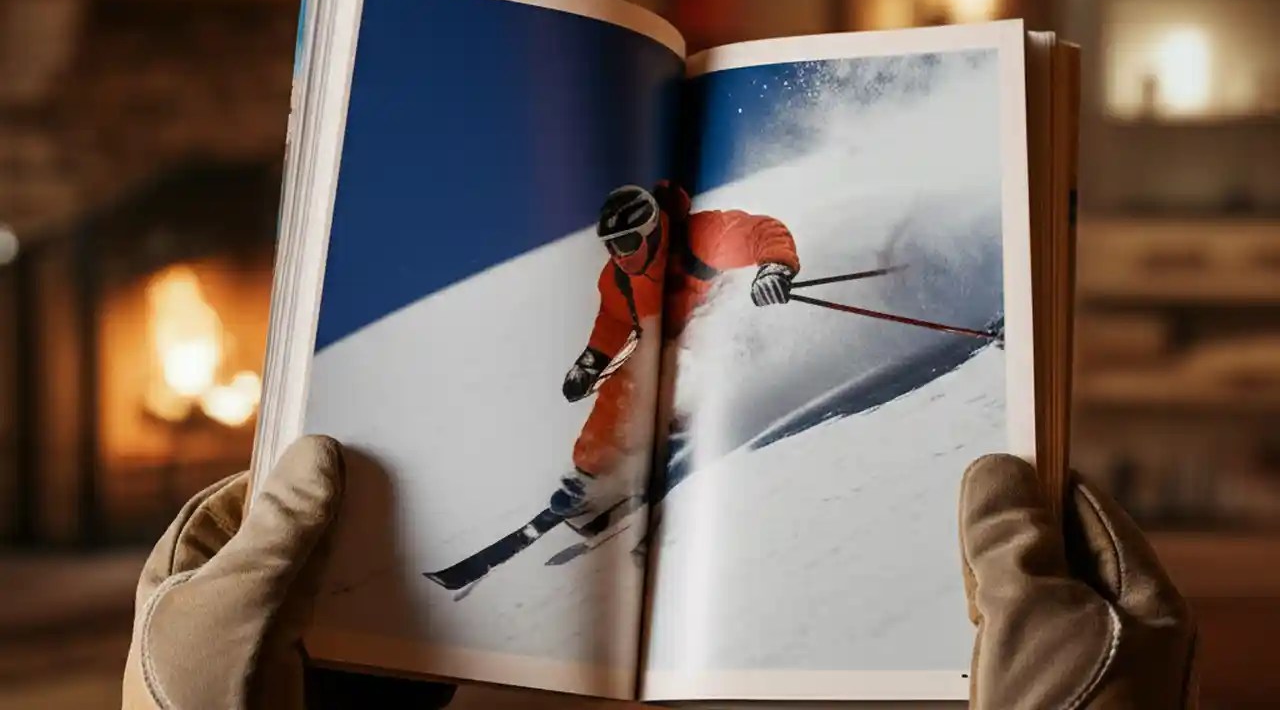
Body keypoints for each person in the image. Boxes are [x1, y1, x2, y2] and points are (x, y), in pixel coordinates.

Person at [123, 438, 1198, 710]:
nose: (634, 239)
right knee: (601, 454)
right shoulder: (627, 269)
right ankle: (589, 501)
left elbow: (747, 233)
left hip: (690, 384)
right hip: (631, 415)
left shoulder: (694, 238)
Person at [552, 181, 801, 526]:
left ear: (651, 230)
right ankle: (591, 474)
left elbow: (761, 230)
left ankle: (708, 412)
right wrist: (590, 364)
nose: (620, 256)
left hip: (734, 319)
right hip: (677, 336)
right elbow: (613, 321)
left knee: (705, 338)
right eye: (611, 246)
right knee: (628, 377)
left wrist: (774, 267)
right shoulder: (617, 278)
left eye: (626, 243)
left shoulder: (698, 236)